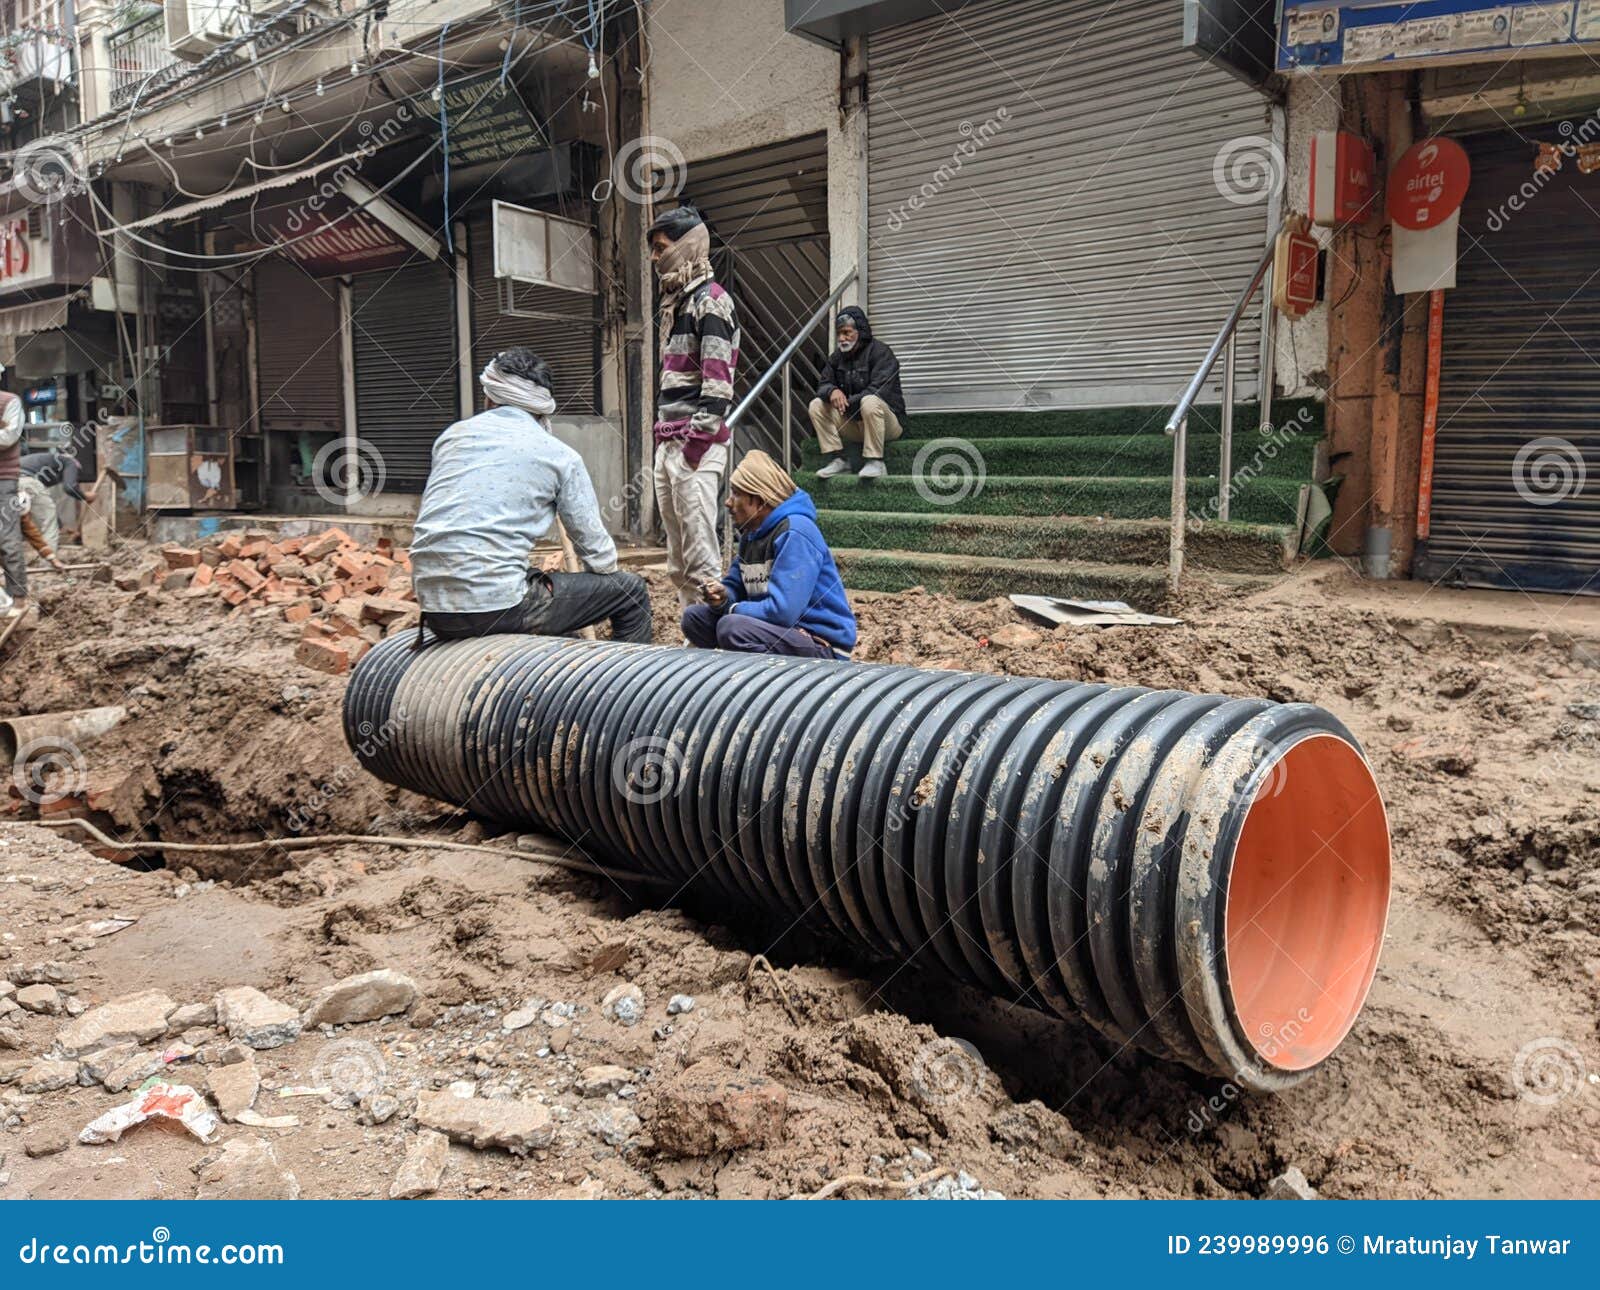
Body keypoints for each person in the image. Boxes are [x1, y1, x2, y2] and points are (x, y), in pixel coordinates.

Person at [410, 348, 652, 644]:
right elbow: (597, 554)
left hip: (435, 610)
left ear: (489, 398)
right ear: (543, 409)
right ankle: (629, 675)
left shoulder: (451, 437)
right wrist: (601, 588)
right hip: (499, 607)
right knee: (631, 591)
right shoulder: (559, 455)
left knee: (559, 623)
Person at [648, 205, 740, 612]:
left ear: (686, 246)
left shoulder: (711, 302)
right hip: (670, 442)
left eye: (660, 247)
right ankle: (693, 630)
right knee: (678, 558)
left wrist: (694, 447)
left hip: (693, 445)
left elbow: (718, 385)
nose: (655, 258)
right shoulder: (677, 302)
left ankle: (711, 637)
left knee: (701, 557)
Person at [682, 449, 856, 659]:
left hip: (820, 643)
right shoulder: (751, 535)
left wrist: (732, 608)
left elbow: (783, 612)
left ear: (760, 500)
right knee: (695, 618)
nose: (728, 502)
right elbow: (736, 586)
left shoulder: (795, 531)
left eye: (736, 493)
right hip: (777, 630)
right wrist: (723, 596)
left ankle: (762, 678)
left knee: (733, 628)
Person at [809, 306, 906, 480]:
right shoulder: (837, 357)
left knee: (869, 400)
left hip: (887, 426)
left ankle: (875, 461)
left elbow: (878, 390)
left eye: (847, 332)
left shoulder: (881, 352)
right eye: (839, 333)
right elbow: (823, 384)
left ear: (860, 331)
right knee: (817, 405)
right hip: (855, 423)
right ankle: (838, 460)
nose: (841, 338)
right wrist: (832, 391)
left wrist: (846, 403)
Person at [19, 446, 96, 552]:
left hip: (6, 482)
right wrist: (85, 496)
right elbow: (70, 488)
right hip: (25, 480)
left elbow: (45, 504)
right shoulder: (70, 462)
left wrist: (61, 527)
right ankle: (49, 560)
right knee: (48, 525)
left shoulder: (43, 464)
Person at [0, 370, 28, 619]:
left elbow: (8, 436)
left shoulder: (10, 402)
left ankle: (18, 600)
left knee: (8, 540)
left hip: (4, 479)